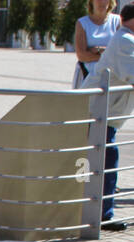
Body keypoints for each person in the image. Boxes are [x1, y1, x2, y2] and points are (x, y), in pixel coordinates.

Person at [81, 2, 134, 228]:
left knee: (105, 159)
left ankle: (101, 213)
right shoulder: (125, 41)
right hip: (96, 113)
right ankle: (100, 215)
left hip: (106, 114)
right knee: (104, 160)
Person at [75, 0, 121, 87]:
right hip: (90, 74)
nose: (101, 2)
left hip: (114, 74)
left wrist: (98, 50)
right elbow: (81, 55)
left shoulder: (117, 21)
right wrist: (108, 54)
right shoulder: (82, 23)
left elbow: (120, 52)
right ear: (91, 2)